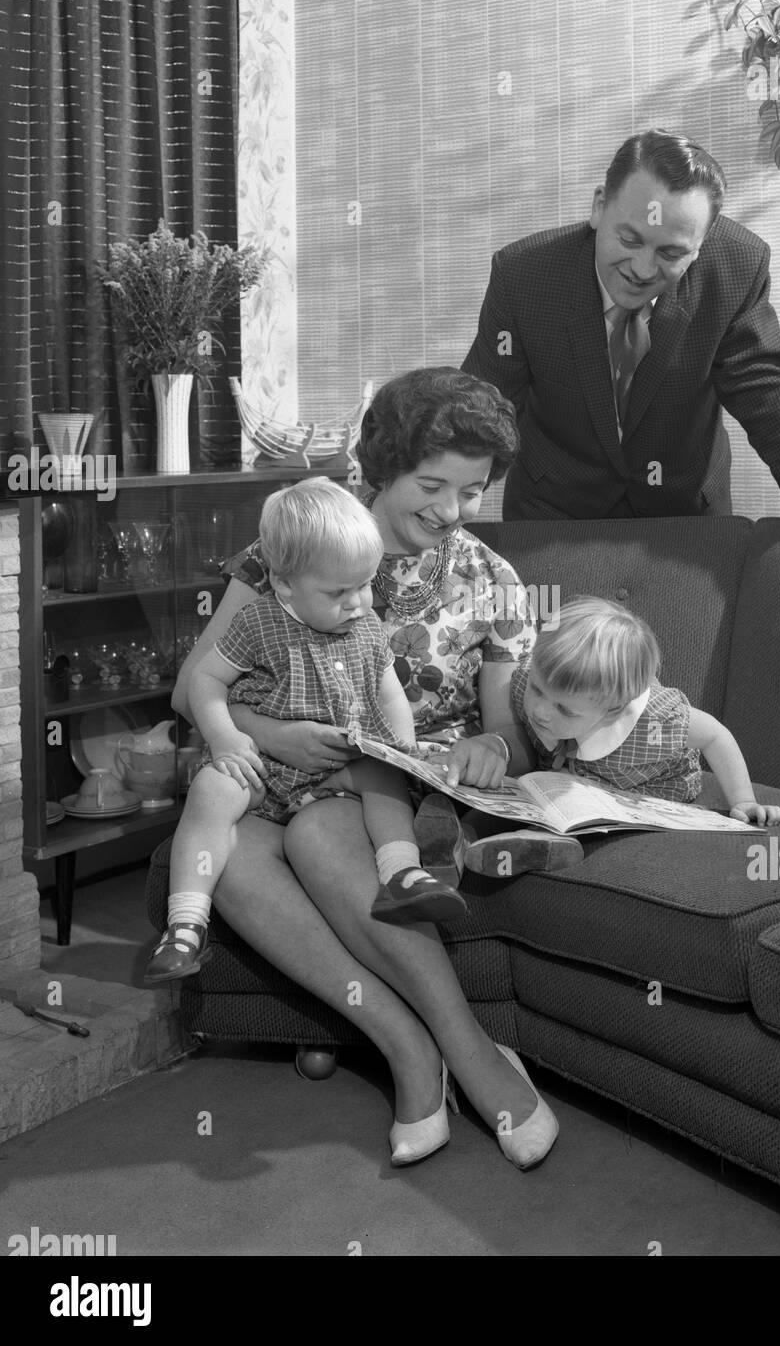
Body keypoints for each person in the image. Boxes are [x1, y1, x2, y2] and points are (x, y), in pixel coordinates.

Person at [170, 367, 559, 1169]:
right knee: (232, 862)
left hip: (390, 784)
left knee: (318, 832)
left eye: (473, 490)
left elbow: (508, 733)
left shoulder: (491, 580)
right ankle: (411, 1050)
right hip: (274, 761)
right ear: (383, 467)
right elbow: (191, 691)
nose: (451, 512)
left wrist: (489, 749)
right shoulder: (290, 551)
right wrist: (272, 737)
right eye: (432, 485)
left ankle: (470, 1052)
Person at [462, 128, 780, 534]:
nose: (643, 269)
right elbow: (482, 406)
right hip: (552, 514)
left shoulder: (737, 265)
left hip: (684, 516)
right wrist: (433, 503)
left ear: (702, 245)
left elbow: (763, 394)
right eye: (629, 239)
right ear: (599, 207)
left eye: (671, 254)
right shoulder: (524, 276)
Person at [145, 480, 470, 987]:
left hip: (332, 772)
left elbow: (388, 695)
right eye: (338, 592)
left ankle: (401, 872)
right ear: (284, 583)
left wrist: (403, 747)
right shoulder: (257, 622)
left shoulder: (364, 628)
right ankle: (186, 922)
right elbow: (204, 681)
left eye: (365, 584)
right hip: (260, 769)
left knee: (383, 774)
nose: (358, 602)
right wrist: (225, 737)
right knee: (210, 790)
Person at [465, 596, 780, 876]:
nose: (541, 711)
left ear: (614, 710)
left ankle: (542, 844)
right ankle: (455, 837)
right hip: (573, 774)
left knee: (580, 815)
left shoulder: (655, 720)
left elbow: (716, 736)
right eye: (538, 690)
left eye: (565, 709)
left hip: (647, 786)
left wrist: (743, 800)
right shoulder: (530, 680)